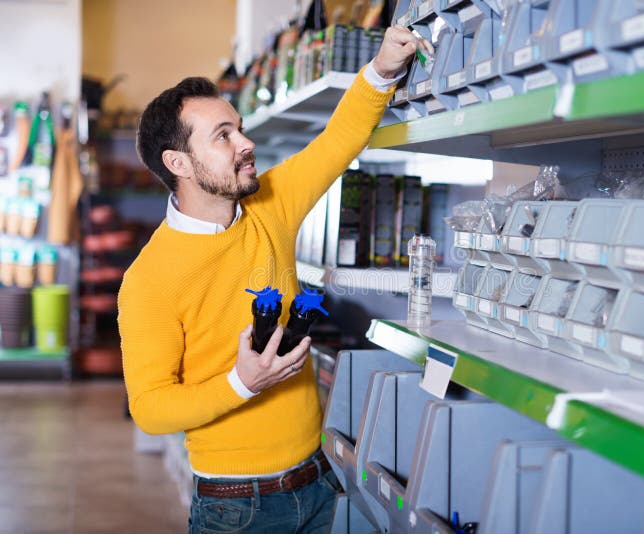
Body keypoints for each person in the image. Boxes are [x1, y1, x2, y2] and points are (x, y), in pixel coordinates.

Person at [118, 26, 432, 533]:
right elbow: (150, 408)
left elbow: (338, 141)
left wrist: (383, 68)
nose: (246, 143)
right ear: (178, 163)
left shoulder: (269, 205)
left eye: (239, 128)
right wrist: (241, 383)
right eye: (223, 136)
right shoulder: (149, 279)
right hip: (237, 509)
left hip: (320, 483)